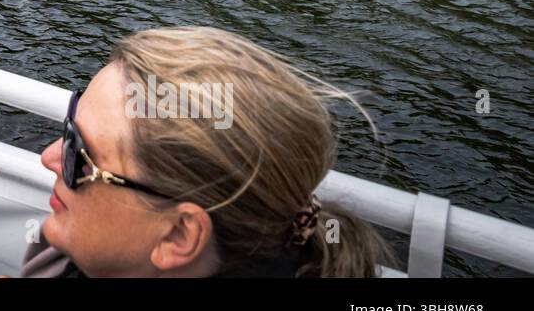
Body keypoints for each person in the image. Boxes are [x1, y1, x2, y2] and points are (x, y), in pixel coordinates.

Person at [23, 27, 392, 278]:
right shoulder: (79, 253)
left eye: (79, 155)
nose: (49, 156)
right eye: (70, 127)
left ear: (178, 235)